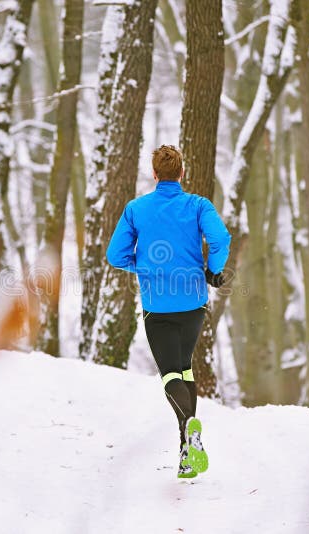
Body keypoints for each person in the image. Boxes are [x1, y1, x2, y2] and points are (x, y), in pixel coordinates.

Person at [105, 144, 231, 479]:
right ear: (182, 173)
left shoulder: (136, 209)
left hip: (157, 304)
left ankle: (189, 427)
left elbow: (115, 255)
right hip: (193, 303)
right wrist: (212, 271)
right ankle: (187, 455)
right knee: (185, 369)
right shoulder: (198, 205)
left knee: (171, 375)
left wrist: (143, 265)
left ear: (155, 174)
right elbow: (220, 238)